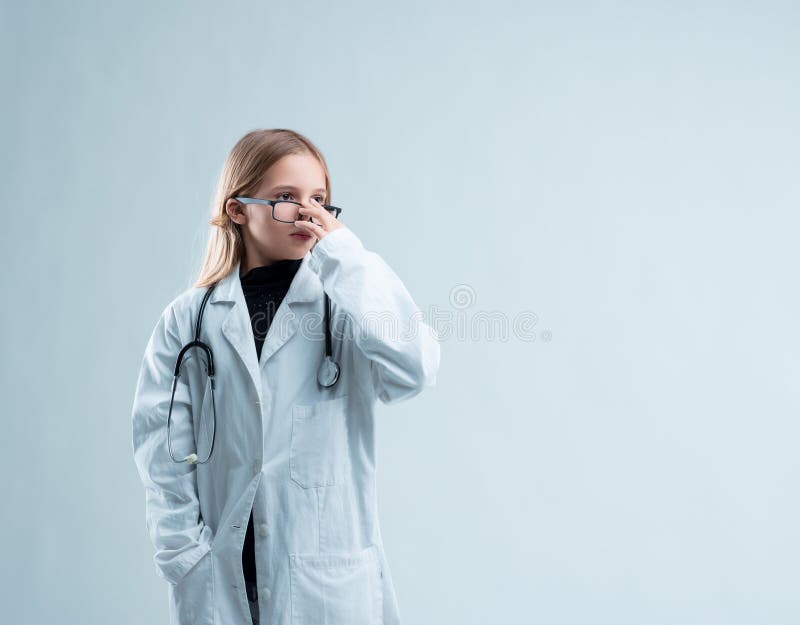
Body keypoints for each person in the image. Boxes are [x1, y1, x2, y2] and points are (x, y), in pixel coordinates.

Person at [131, 128, 441, 625]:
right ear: (238, 210)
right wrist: (184, 557)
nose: (306, 213)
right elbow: (162, 453)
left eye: (318, 199)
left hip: (325, 588)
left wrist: (345, 255)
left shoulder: (347, 304)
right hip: (220, 584)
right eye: (285, 198)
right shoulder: (188, 320)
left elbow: (414, 367)